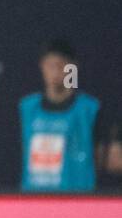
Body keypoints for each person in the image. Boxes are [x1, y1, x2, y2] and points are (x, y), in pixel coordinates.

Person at [19, 40, 118, 193]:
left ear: (72, 68)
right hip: (35, 196)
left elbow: (107, 158)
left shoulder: (89, 109)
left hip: (76, 198)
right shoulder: (27, 108)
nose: (55, 72)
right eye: (50, 65)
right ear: (42, 66)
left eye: (60, 66)